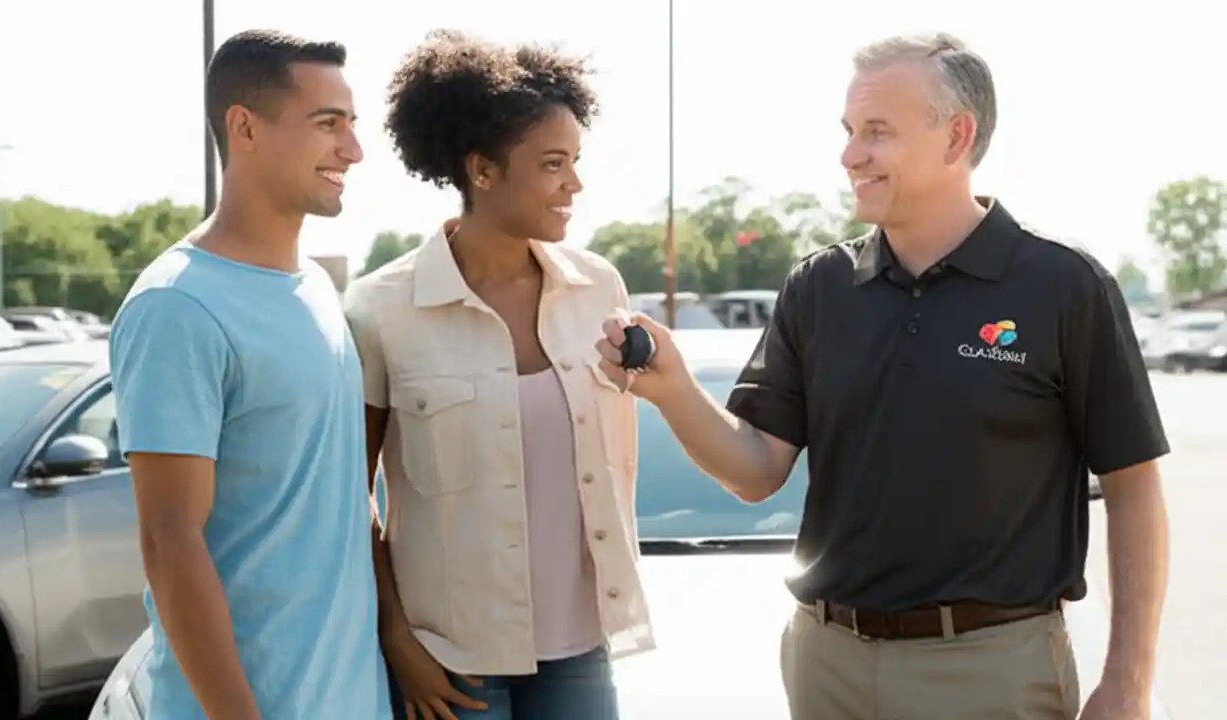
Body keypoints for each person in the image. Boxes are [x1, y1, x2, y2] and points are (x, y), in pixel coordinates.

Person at [597, 32, 1169, 720]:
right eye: (847, 131)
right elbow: (755, 473)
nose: (849, 155)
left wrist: (1129, 682)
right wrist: (674, 390)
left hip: (990, 671)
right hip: (825, 664)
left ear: (957, 136)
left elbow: (1135, 488)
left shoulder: (1063, 287)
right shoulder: (819, 286)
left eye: (877, 132)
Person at [343, 29, 653, 720]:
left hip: (581, 649)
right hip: (449, 660)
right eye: (551, 163)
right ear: (482, 171)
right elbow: (350, 493)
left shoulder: (598, 288)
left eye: (574, 160)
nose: (574, 182)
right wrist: (397, 639)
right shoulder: (379, 310)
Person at [109, 29, 385, 719]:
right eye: (328, 124)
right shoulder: (177, 305)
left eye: (351, 125)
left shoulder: (318, 290)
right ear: (244, 127)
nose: (352, 149)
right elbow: (169, 542)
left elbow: (343, 498)